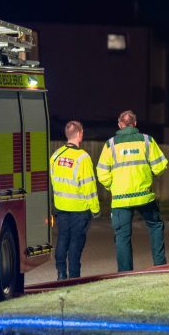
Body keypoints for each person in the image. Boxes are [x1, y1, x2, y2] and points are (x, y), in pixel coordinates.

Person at [96, 110, 169, 271]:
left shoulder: (110, 144)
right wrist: (149, 175)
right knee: (155, 226)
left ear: (120, 124)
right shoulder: (147, 140)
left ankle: (125, 273)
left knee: (122, 237)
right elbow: (161, 165)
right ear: (135, 124)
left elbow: (101, 173)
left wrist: (111, 186)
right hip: (145, 197)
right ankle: (160, 266)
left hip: (120, 199)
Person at [48, 120, 99, 280]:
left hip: (61, 207)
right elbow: (89, 187)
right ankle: (75, 277)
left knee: (63, 238)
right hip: (79, 209)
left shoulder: (55, 156)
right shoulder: (83, 158)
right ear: (79, 134)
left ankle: (61, 273)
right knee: (76, 243)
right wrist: (95, 209)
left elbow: (53, 180)